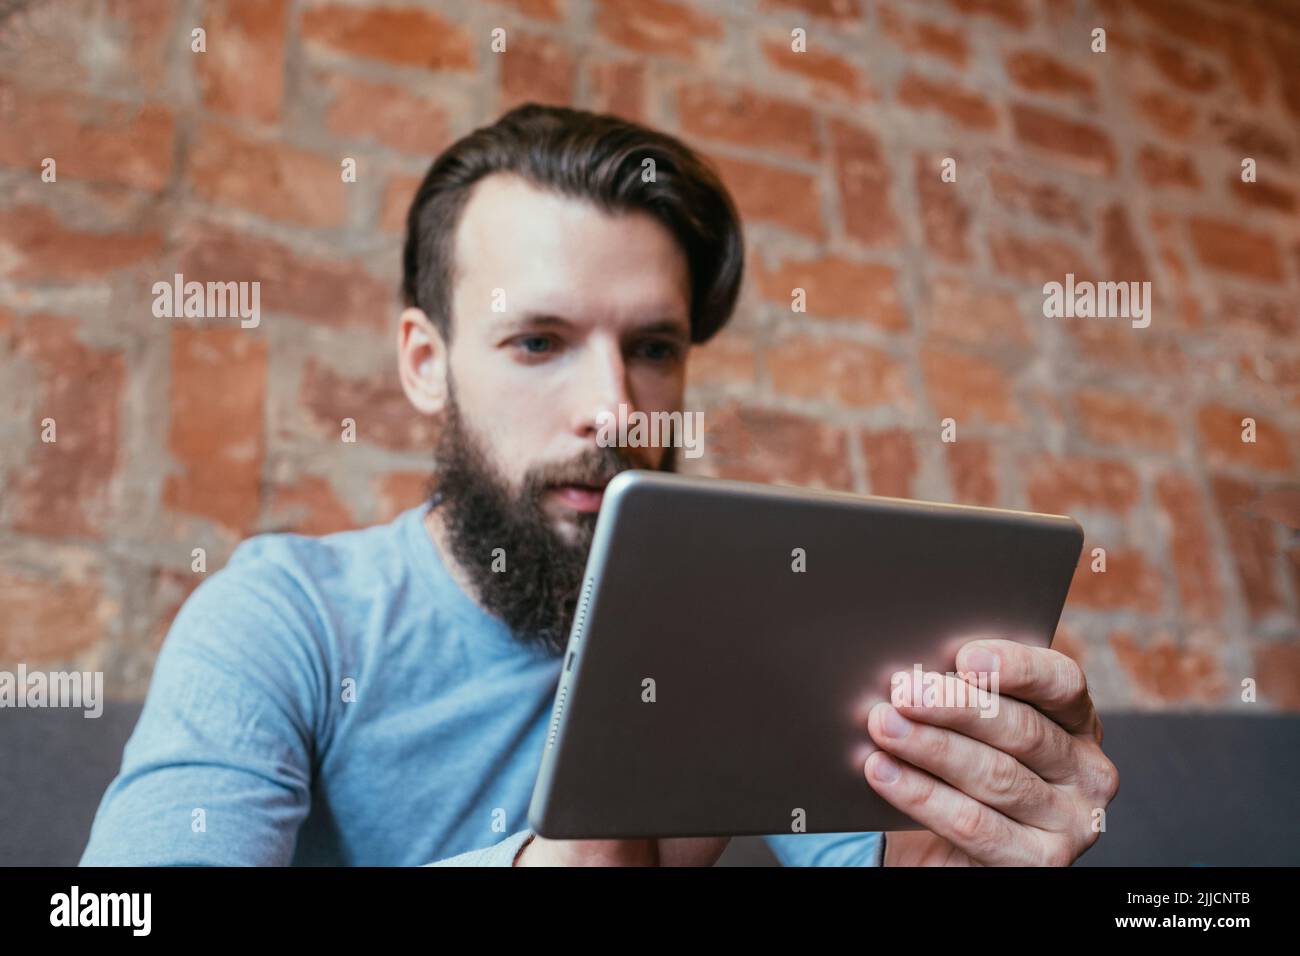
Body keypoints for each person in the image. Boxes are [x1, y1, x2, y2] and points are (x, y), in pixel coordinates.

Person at [80, 103, 1118, 867]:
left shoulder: (741, 624)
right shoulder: (281, 619)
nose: (619, 412)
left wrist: (967, 836)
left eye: (654, 347)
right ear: (423, 359)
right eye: (538, 341)